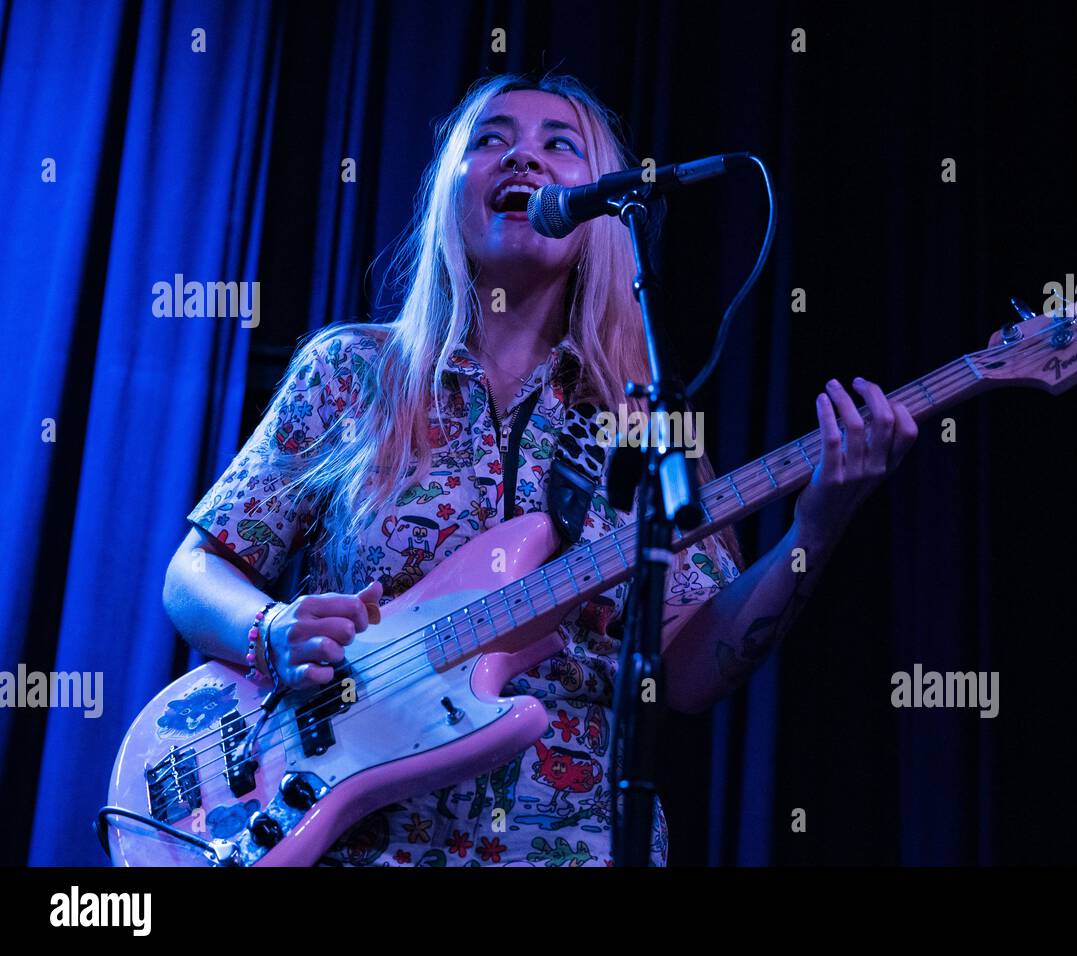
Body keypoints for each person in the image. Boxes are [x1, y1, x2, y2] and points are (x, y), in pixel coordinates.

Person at [163, 72, 918, 867]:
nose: (523, 157)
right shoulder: (353, 372)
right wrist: (270, 630)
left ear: (600, 208)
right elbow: (195, 570)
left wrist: (817, 526)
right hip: (347, 840)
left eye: (561, 145)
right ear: (451, 193)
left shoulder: (643, 421)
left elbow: (692, 669)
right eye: (491, 140)